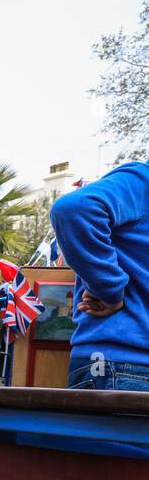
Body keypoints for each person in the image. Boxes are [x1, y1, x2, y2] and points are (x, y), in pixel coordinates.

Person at [51, 162, 149, 391]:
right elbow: (74, 209)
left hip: (121, 364)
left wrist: (108, 291)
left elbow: (74, 208)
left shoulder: (141, 182)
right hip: (123, 367)